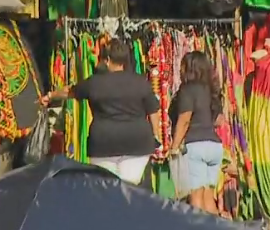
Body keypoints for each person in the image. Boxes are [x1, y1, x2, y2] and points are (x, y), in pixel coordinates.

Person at [41, 39, 161, 184]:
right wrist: (156, 135)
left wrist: (50, 96)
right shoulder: (141, 82)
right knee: (130, 188)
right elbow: (153, 110)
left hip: (104, 143)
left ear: (108, 60)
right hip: (137, 142)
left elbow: (69, 92)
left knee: (106, 189)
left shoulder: (94, 82)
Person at [169, 51, 224, 213]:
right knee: (208, 197)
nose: (180, 69)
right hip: (214, 146)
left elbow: (185, 119)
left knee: (195, 198)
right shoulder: (211, 90)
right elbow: (219, 120)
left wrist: (174, 147)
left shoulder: (187, 90)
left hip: (195, 145)